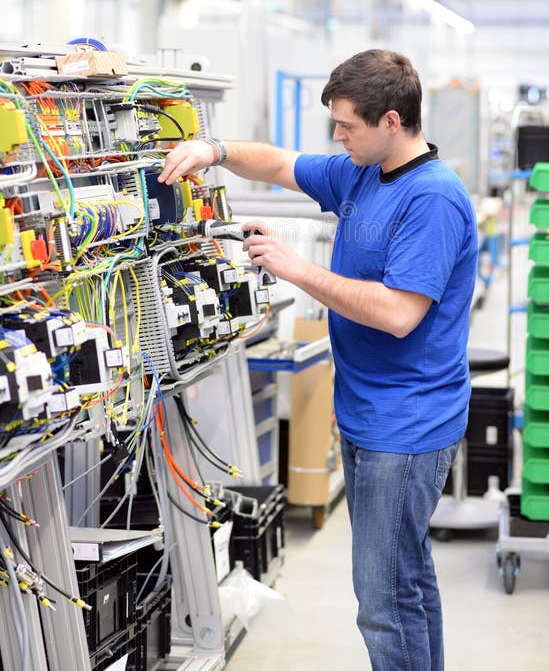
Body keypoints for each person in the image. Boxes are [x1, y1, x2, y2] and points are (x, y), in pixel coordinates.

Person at [159, 48, 478, 671]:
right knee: (407, 579)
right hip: (368, 414)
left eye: (347, 126)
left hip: (407, 427)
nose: (338, 137)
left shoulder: (432, 199)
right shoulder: (361, 171)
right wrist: (212, 150)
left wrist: (295, 267)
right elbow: (278, 163)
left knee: (382, 599)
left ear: (392, 121)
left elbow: (396, 313)